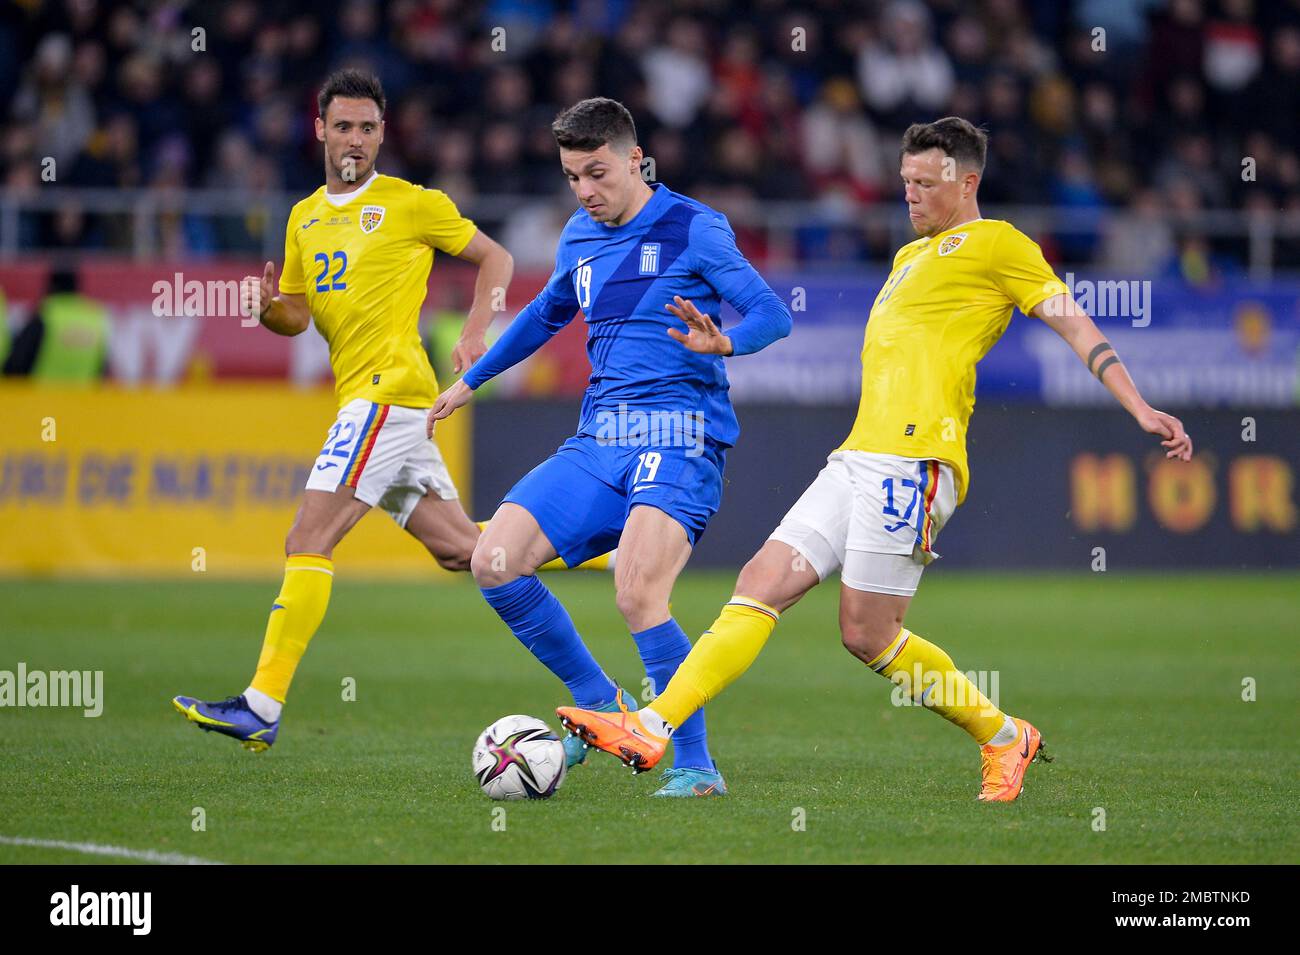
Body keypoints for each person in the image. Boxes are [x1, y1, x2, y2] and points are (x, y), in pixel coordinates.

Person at [558, 116, 1193, 802]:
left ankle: (1004, 735)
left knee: (867, 633)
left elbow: (1074, 320)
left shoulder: (1000, 244)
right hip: (858, 456)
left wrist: (1137, 404)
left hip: (916, 461)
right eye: (905, 182)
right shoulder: (907, 257)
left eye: (925, 182)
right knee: (761, 579)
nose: (911, 195)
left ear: (967, 180)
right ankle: (652, 726)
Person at [172, 69, 605, 752]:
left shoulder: (409, 203)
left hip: (387, 395)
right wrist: (268, 312)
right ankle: (616, 553)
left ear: (383, 132)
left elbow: (495, 259)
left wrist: (474, 331)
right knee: (469, 552)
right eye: (342, 126)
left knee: (307, 539)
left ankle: (261, 704)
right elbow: (296, 312)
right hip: (373, 402)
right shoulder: (304, 218)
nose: (355, 139)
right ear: (319, 130)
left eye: (368, 128)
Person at [430, 97, 792, 797]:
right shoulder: (577, 235)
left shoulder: (696, 227)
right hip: (601, 438)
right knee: (493, 559)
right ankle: (601, 702)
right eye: (572, 177)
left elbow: (772, 314)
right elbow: (546, 313)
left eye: (597, 173)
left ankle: (695, 765)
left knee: (636, 590)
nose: (585, 191)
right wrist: (473, 379)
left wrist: (726, 341)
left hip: (680, 434)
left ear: (635, 158)